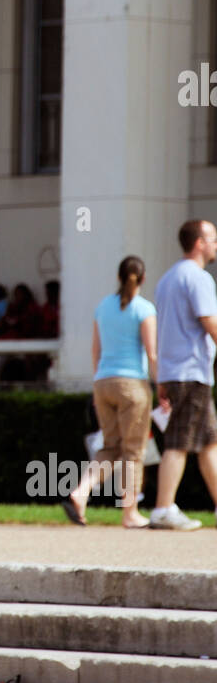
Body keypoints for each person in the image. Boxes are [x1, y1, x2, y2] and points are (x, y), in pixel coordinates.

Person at [62, 257, 155, 528]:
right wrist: (162, 386)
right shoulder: (144, 309)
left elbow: (95, 351)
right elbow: (151, 352)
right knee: (133, 451)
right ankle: (130, 512)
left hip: (103, 382)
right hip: (132, 385)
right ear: (143, 278)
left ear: (118, 276)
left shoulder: (103, 307)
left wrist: (97, 383)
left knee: (110, 448)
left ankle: (80, 492)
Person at [150, 219, 217, 531]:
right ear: (199, 243)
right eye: (213, 239)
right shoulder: (198, 278)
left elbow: (165, 332)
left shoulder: (167, 280)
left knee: (208, 443)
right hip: (192, 372)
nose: (216, 245)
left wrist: (162, 377)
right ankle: (163, 509)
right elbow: (209, 321)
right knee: (179, 441)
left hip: (177, 372)